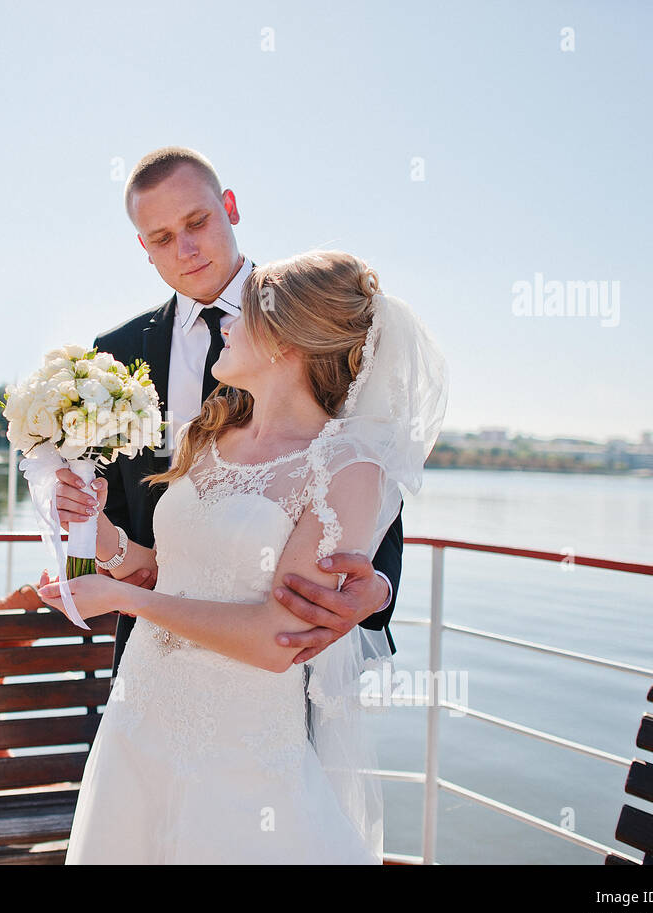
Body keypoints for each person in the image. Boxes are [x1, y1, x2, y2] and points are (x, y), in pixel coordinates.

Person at [38, 248, 447, 863]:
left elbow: (274, 640)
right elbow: (165, 568)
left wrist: (125, 600)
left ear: (286, 342)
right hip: (138, 723)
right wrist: (98, 533)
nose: (225, 324)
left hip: (238, 752)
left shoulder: (345, 468)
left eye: (244, 316)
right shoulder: (216, 430)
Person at [54, 147, 403, 677]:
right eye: (163, 238)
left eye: (198, 222)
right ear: (143, 247)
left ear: (231, 207)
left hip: (290, 666)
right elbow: (131, 530)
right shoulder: (115, 353)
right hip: (152, 663)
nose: (187, 249)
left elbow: (367, 474)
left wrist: (377, 589)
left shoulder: (317, 322)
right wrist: (84, 522)